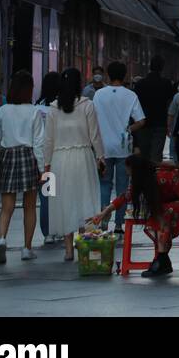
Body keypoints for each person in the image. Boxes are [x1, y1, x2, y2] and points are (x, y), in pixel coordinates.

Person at [89, 154, 179, 278]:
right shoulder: (148, 178)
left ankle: (162, 259)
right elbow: (124, 197)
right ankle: (162, 259)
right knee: (159, 215)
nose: (129, 175)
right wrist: (104, 213)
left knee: (164, 214)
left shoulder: (161, 176)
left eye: (130, 172)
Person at [43, 66, 106, 261]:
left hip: (59, 161)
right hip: (83, 158)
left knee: (64, 202)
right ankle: (84, 244)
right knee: (85, 199)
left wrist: (46, 165)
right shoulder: (87, 105)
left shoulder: (53, 108)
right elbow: (94, 135)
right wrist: (100, 157)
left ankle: (68, 249)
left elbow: (48, 140)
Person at [0, 69, 44, 264]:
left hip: (8, 157)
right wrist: (42, 169)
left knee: (7, 207)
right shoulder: (34, 111)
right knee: (29, 207)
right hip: (28, 157)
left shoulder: (3, 110)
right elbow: (39, 143)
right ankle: (27, 248)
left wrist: (0, 153)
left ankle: (1, 239)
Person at [93, 60, 146, 234]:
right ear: (124, 76)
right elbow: (141, 121)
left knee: (104, 184)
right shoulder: (130, 96)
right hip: (123, 146)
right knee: (123, 186)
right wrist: (128, 129)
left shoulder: (99, 94)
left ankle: (102, 222)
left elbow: (93, 119)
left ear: (108, 74)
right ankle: (118, 224)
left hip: (103, 147)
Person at [35, 72, 60, 244]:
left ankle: (48, 233)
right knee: (60, 196)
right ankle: (59, 229)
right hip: (60, 156)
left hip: (44, 159)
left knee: (46, 196)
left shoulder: (37, 107)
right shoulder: (60, 108)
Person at [135, 55, 174, 163]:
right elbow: (169, 103)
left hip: (143, 123)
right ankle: (154, 178)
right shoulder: (166, 84)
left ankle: (145, 178)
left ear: (150, 66)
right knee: (156, 156)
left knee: (144, 155)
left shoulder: (140, 84)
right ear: (162, 67)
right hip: (160, 123)